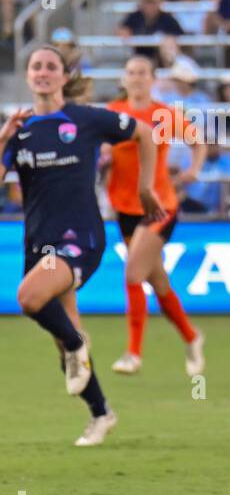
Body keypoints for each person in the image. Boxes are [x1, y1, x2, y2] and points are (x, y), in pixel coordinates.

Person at [0, 46, 164, 446]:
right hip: (38, 242)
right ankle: (101, 413)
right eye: (36, 66)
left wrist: (145, 188)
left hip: (81, 237)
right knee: (62, 338)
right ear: (28, 76)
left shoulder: (85, 119)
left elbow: (144, 133)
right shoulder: (18, 130)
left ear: (63, 75)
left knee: (28, 298)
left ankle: (78, 344)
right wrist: (3, 137)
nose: (42, 72)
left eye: (50, 66)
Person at [105, 56, 207, 376]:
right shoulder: (112, 113)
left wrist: (194, 170)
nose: (136, 78)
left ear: (153, 79)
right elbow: (99, 151)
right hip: (124, 207)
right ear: (124, 78)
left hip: (158, 205)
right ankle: (192, 337)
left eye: (142, 73)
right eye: (131, 72)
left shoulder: (163, 114)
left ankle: (133, 354)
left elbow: (197, 141)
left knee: (133, 274)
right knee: (157, 280)